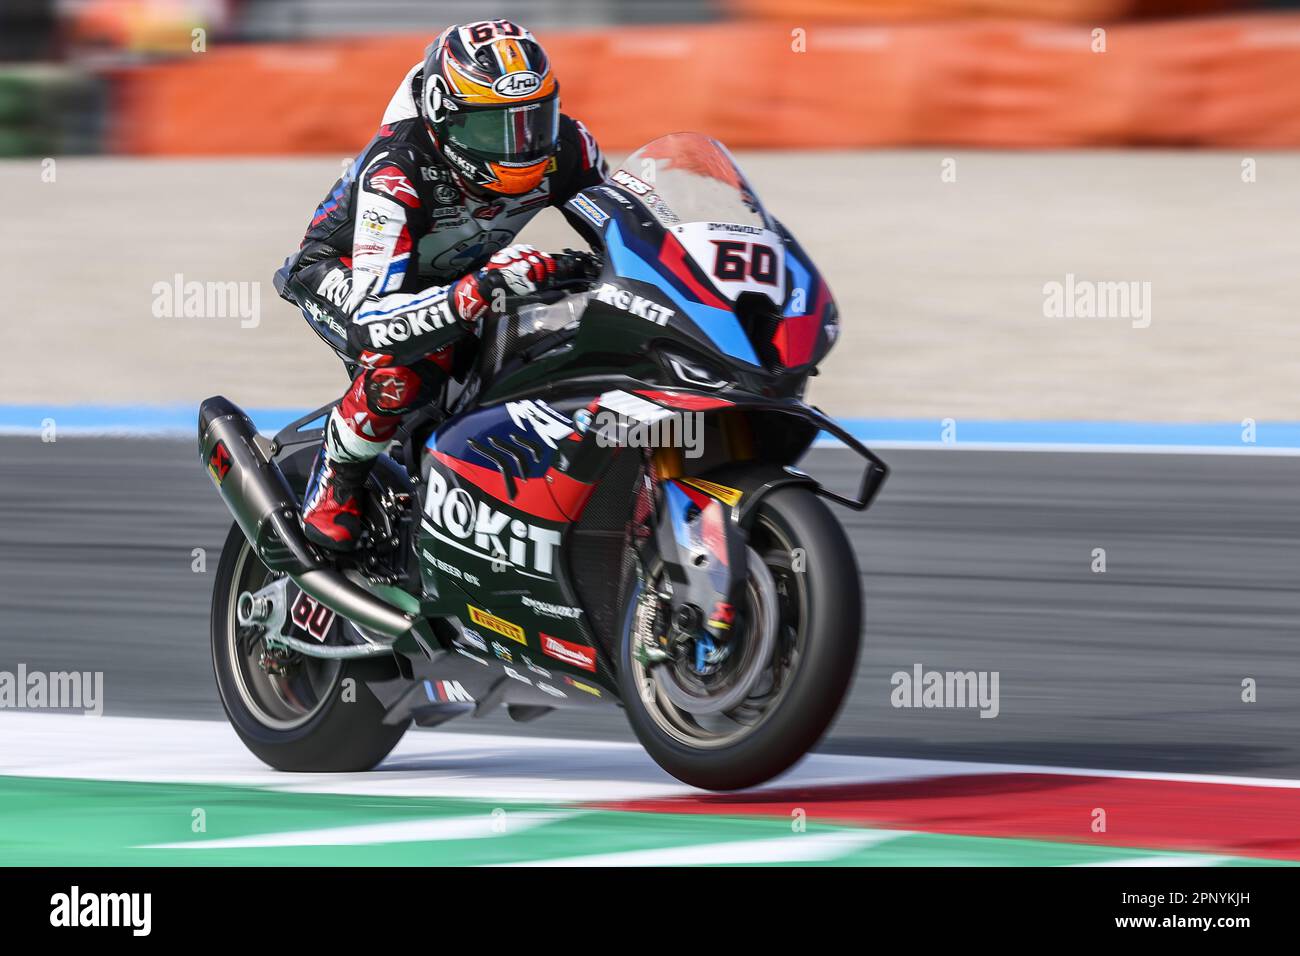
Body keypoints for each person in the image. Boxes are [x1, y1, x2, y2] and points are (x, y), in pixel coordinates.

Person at [274, 19, 606, 550]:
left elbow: (632, 229)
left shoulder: (570, 147)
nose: (517, 147)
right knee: (400, 371)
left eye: (530, 123)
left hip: (463, 275)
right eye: (490, 129)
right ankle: (335, 485)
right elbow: (376, 322)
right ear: (443, 118)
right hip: (348, 276)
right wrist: (485, 286)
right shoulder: (397, 171)